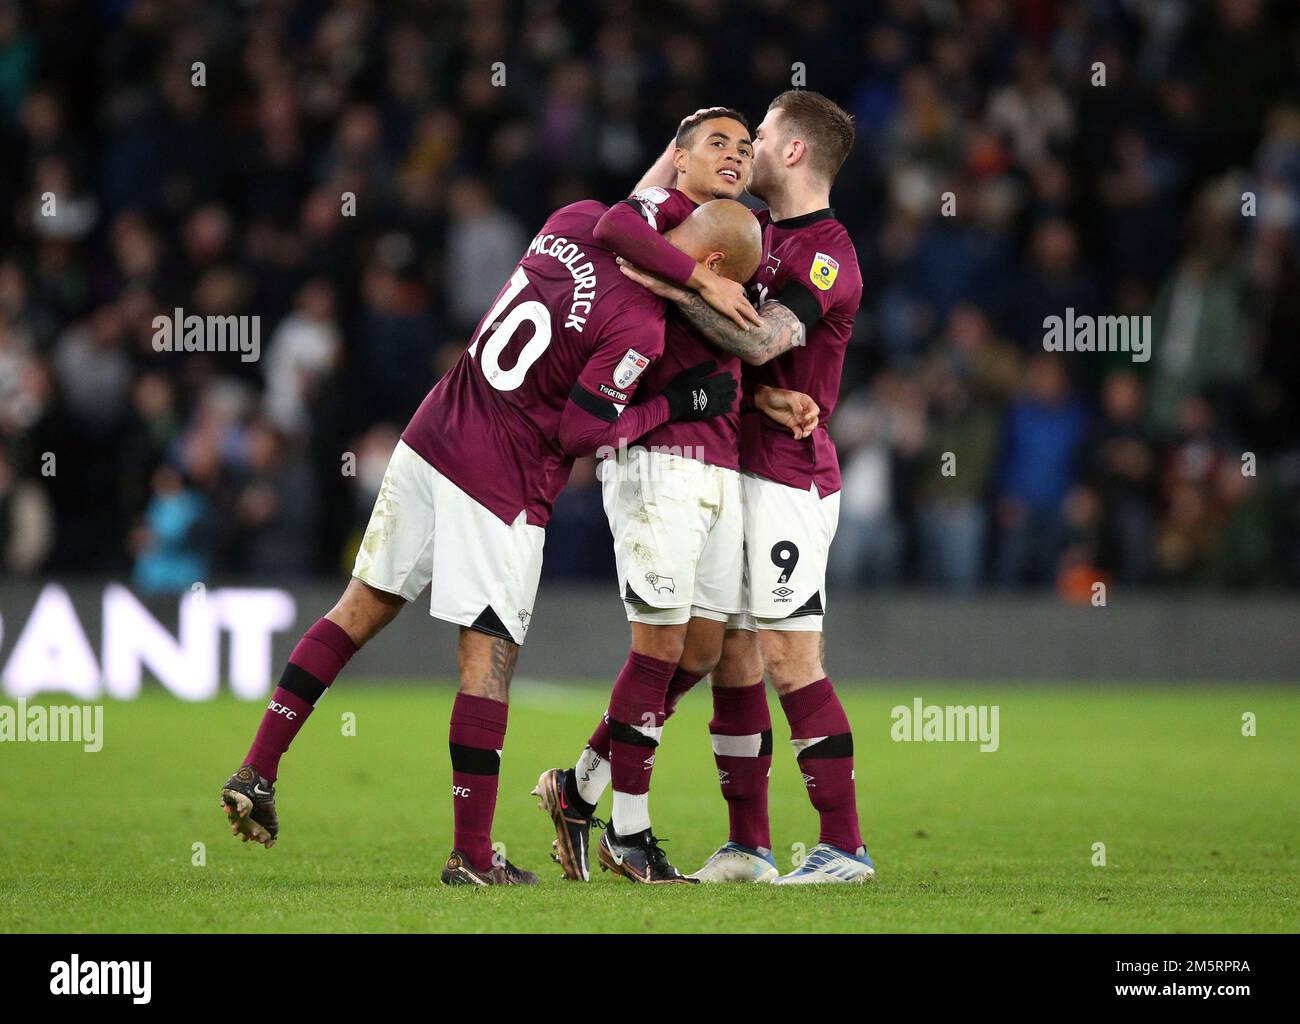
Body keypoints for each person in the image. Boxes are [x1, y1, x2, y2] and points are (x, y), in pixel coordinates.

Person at [218, 195, 758, 886]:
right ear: (711, 265)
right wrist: (679, 404)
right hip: (501, 474)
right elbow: (582, 435)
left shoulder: (573, 221)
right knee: (488, 663)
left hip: (434, 429)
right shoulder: (642, 326)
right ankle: (472, 857)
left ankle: (258, 768)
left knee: (357, 607)